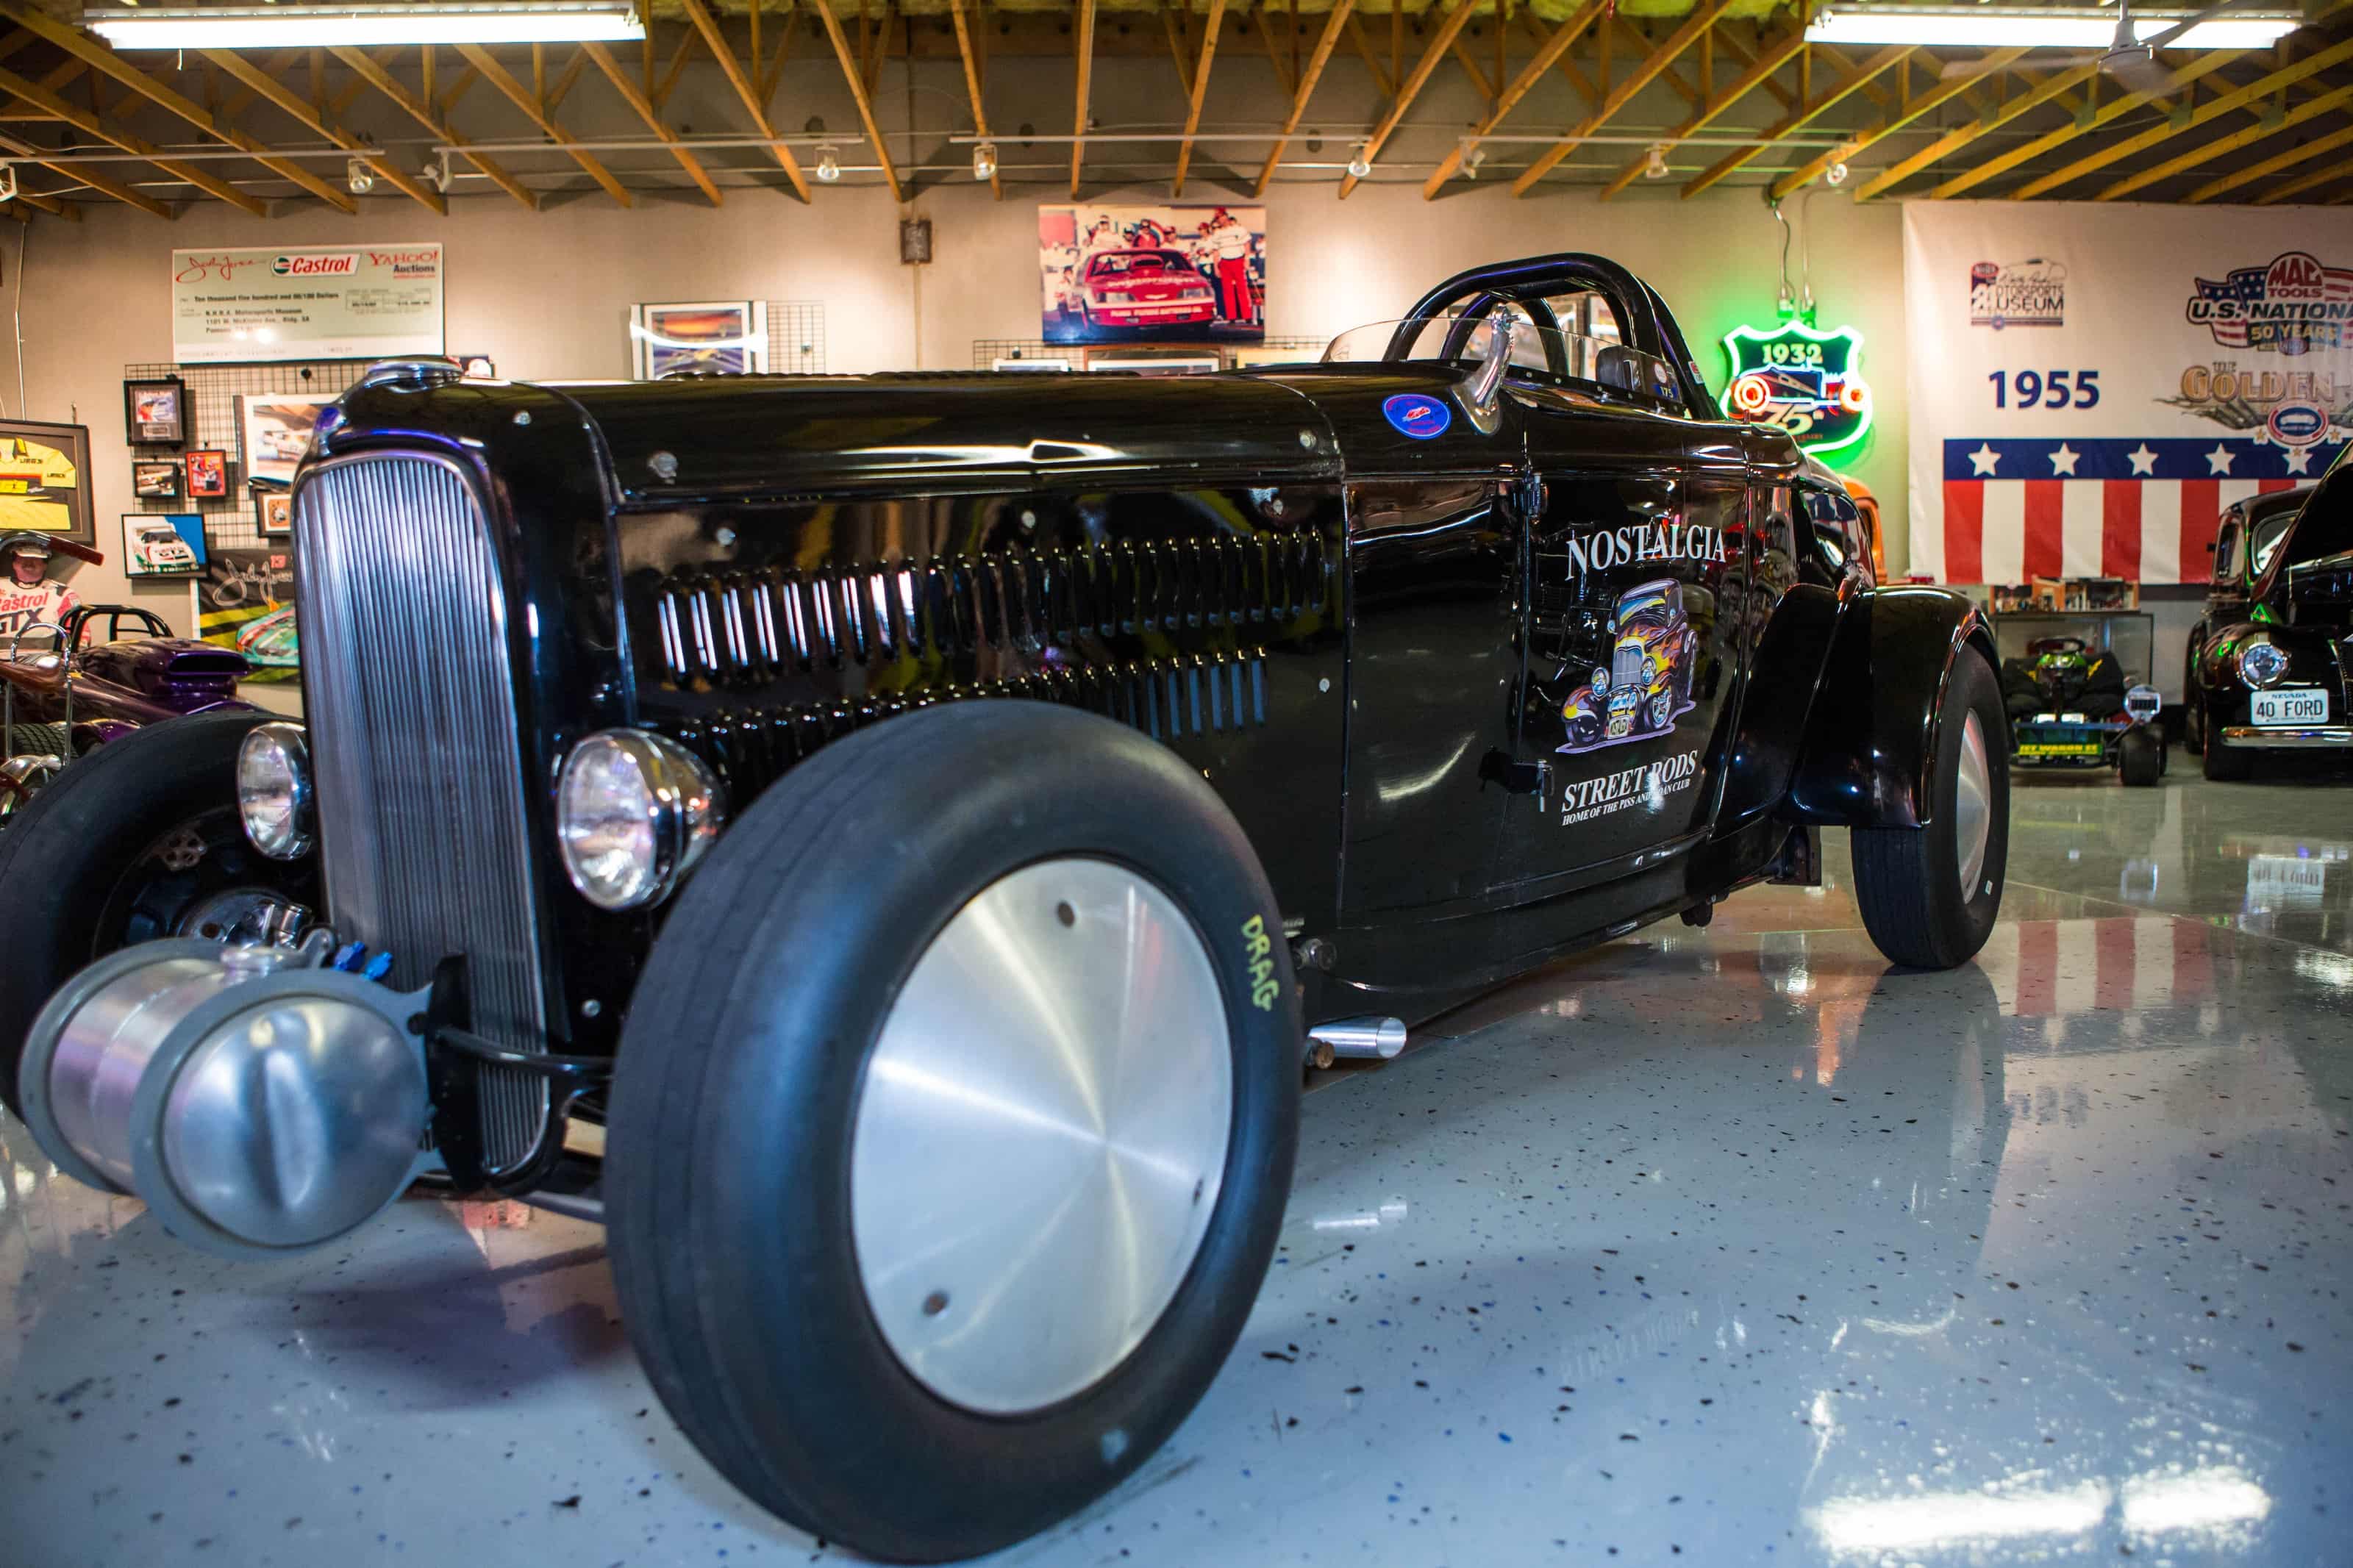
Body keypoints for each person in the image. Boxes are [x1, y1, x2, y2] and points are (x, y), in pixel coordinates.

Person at [0, 532, 80, 650]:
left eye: (36, 558)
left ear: (45, 564)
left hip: (44, 660)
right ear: (14, 562)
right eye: (23, 557)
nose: (29, 562)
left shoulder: (63, 594)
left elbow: (79, 640)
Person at [1209, 209, 1257, 328]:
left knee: (1242, 287)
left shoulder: (1238, 229)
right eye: (1217, 218)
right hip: (1225, 261)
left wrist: (1247, 259)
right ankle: (1231, 316)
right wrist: (1216, 268)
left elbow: (1247, 244)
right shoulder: (1217, 234)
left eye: (1221, 217)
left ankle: (1247, 316)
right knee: (1227, 290)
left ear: (1226, 216)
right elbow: (1216, 251)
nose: (1220, 220)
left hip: (1238, 259)